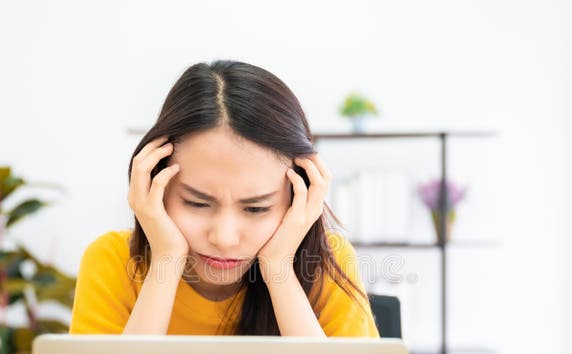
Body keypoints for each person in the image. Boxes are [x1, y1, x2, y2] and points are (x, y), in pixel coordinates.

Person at [69, 60, 378, 337]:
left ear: (301, 196)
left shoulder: (328, 262)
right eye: (197, 203)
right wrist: (166, 260)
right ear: (152, 184)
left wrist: (279, 269)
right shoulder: (112, 260)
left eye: (256, 208)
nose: (224, 238)